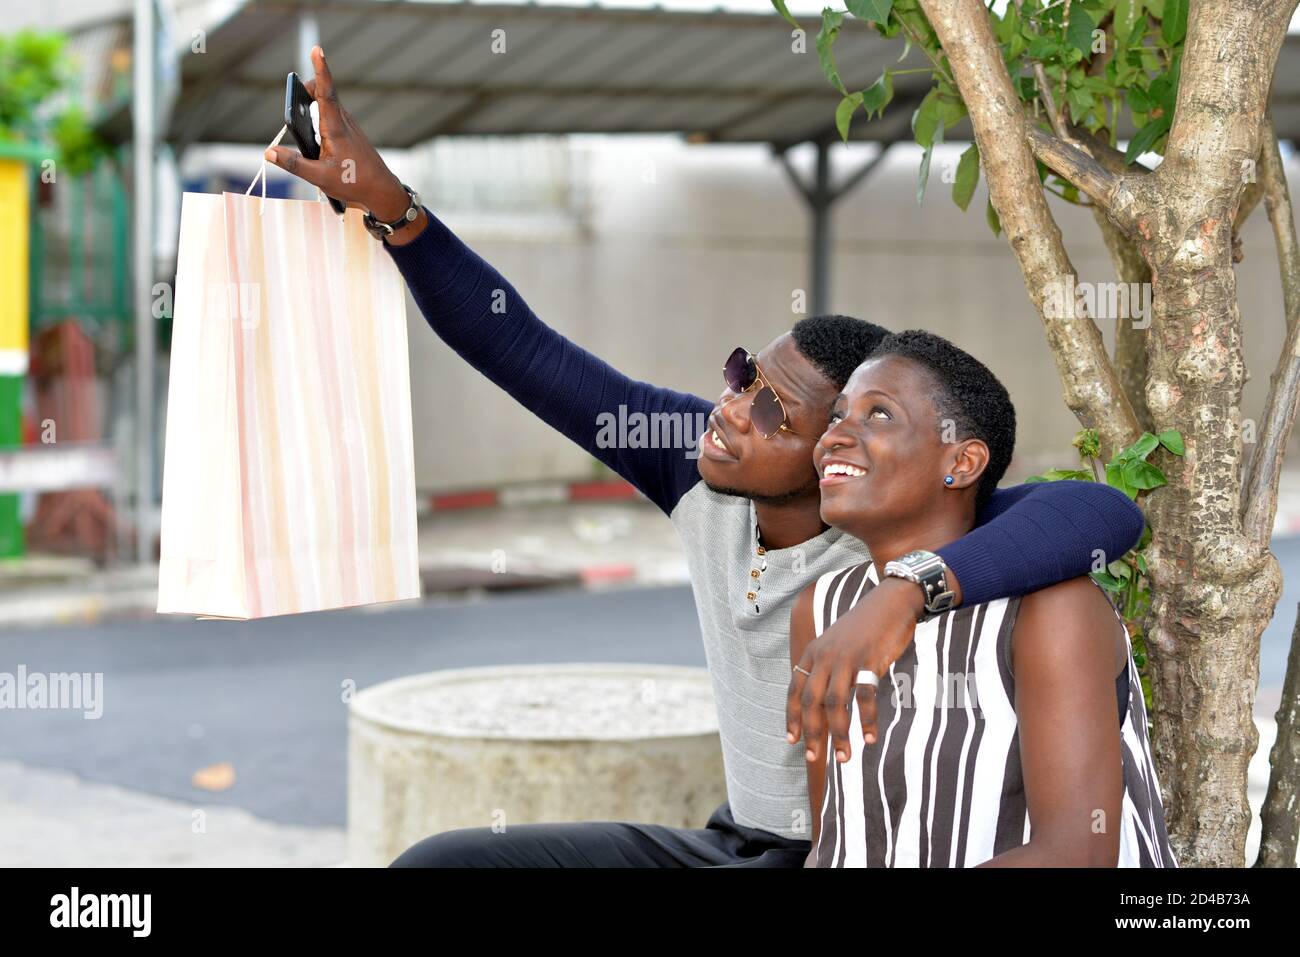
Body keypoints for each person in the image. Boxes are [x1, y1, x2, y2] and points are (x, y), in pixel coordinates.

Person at [265, 47, 1147, 867]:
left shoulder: (893, 520)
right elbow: (522, 351)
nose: (732, 409)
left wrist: (904, 588)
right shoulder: (697, 469)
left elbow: (1099, 513)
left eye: (776, 409)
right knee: (448, 865)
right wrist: (390, 206)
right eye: (741, 374)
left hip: (843, 851)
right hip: (739, 843)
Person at [792, 330, 1176, 867]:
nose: (834, 435)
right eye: (836, 415)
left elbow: (1076, 856)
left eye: (878, 415)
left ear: (964, 463)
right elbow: (834, 841)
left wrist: (905, 592)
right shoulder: (825, 607)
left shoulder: (1048, 609)